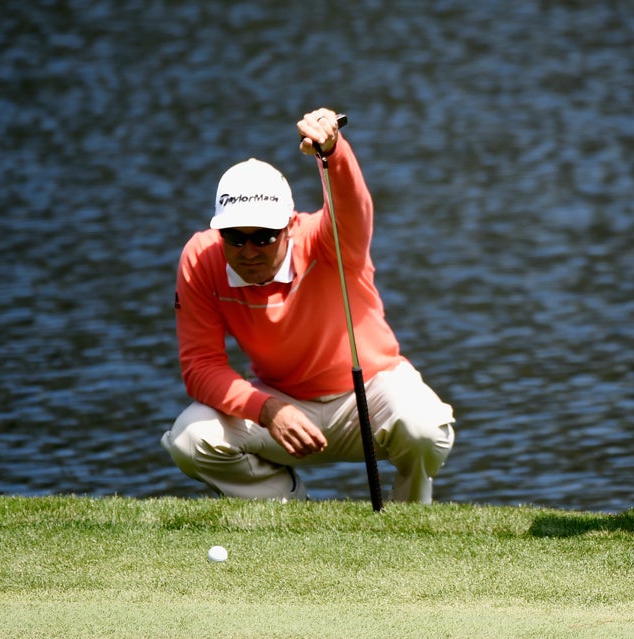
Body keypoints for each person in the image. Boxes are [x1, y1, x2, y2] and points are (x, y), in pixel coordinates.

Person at [161, 107, 455, 503]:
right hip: (280, 401)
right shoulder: (201, 258)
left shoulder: (326, 239)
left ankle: (410, 516)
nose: (248, 251)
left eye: (263, 236)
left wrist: (332, 151)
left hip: (369, 393)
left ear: (288, 225)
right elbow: (201, 366)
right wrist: (267, 410)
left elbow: (353, 208)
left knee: (426, 429)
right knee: (189, 438)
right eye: (234, 236)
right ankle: (289, 510)